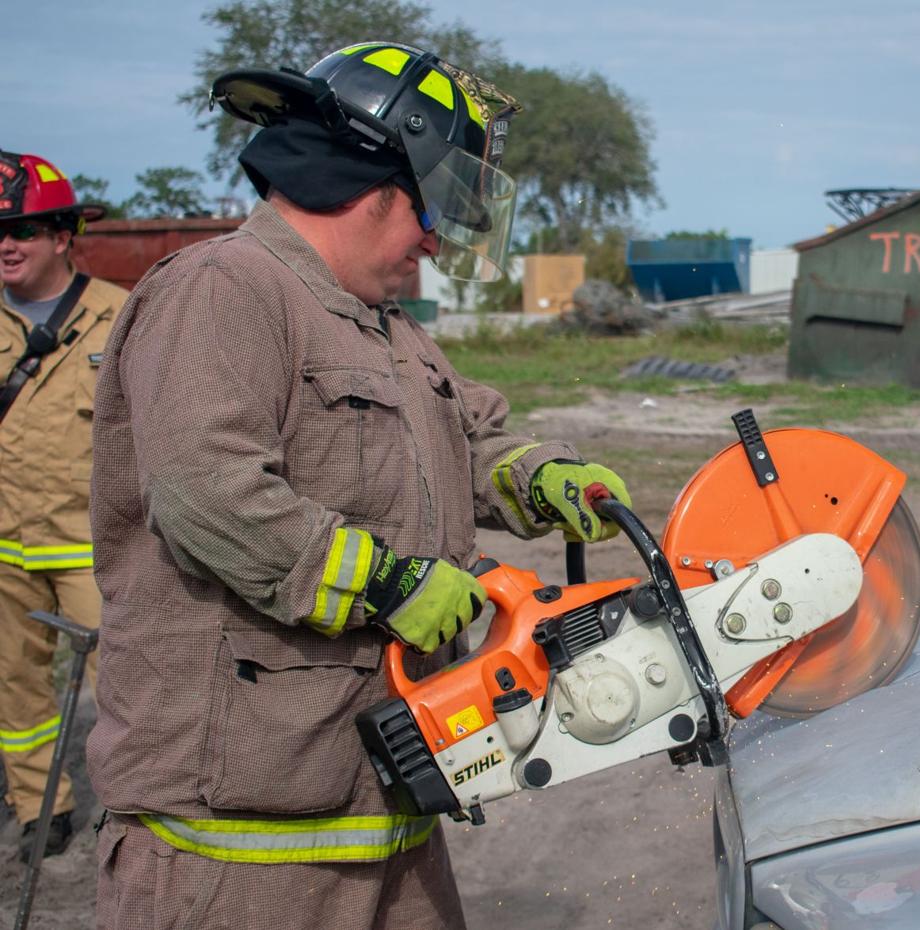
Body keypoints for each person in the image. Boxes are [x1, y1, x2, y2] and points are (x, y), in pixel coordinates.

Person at [86, 42, 632, 928]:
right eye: (430, 208)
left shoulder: (383, 326)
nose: (435, 240)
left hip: (391, 816)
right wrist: (388, 583)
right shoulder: (223, 289)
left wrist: (541, 476)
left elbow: (468, 439)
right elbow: (204, 489)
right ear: (366, 180)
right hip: (240, 848)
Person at [0, 150, 125, 859]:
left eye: (22, 229)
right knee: (15, 691)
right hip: (4, 549)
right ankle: (38, 809)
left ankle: (132, 803)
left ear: (61, 236)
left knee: (126, 690)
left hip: (93, 549)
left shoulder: (120, 316)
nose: (8, 245)